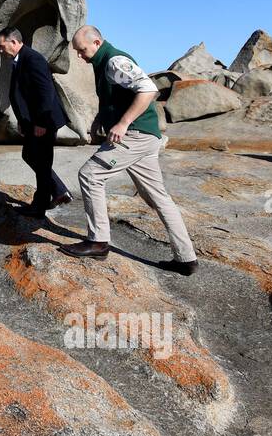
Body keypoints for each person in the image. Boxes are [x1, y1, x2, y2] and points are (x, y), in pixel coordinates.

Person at [60, 25, 199, 275]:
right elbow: (116, 97)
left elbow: (148, 90)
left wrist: (123, 123)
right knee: (157, 197)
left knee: (90, 175)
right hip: (145, 137)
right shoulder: (103, 62)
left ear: (97, 43)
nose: (79, 56)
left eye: (82, 50)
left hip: (135, 135)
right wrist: (99, 121)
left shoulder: (115, 61)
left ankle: (98, 242)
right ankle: (186, 258)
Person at [0, 27, 72, 218]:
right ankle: (57, 192)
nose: (0, 50)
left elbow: (45, 93)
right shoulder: (20, 59)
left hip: (43, 121)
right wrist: (23, 121)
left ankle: (41, 205)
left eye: (2, 46)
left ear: (14, 42)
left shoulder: (33, 58)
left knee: (39, 159)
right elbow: (23, 94)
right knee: (33, 156)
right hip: (34, 121)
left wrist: (41, 123)